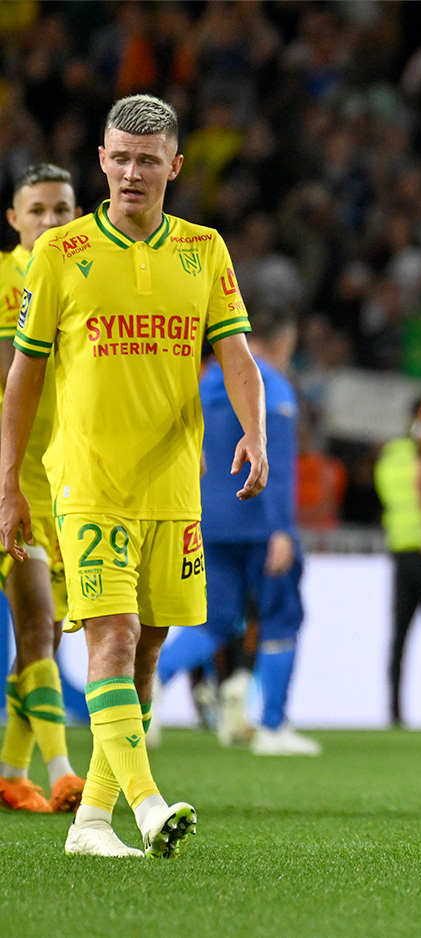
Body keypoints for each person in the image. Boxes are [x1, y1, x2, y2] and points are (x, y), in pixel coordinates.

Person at [0, 94, 267, 858]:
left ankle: (90, 824)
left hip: (173, 485)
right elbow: (23, 376)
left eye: (147, 159)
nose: (130, 172)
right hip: (88, 483)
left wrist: (254, 430)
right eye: (118, 157)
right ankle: (147, 809)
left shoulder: (205, 251)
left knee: (148, 650)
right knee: (110, 641)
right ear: (102, 162)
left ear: (175, 167)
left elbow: (237, 355)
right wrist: (9, 481)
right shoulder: (60, 255)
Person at [153, 305, 315, 756]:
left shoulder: (207, 381)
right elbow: (277, 465)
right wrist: (282, 528)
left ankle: (148, 688)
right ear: (283, 339)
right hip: (262, 525)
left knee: (215, 620)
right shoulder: (273, 387)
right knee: (281, 617)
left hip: (209, 521)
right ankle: (272, 727)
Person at [0, 163, 85, 814]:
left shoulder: (89, 278)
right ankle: (61, 773)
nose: (52, 221)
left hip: (61, 480)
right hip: (11, 479)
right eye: (38, 211)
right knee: (35, 619)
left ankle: (10, 770)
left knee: (46, 634)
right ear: (14, 220)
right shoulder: (7, 283)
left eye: (63, 210)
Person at [375, 391, 421, 729]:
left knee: (400, 635)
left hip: (400, 550)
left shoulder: (389, 456)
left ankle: (394, 712)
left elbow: (386, 496)